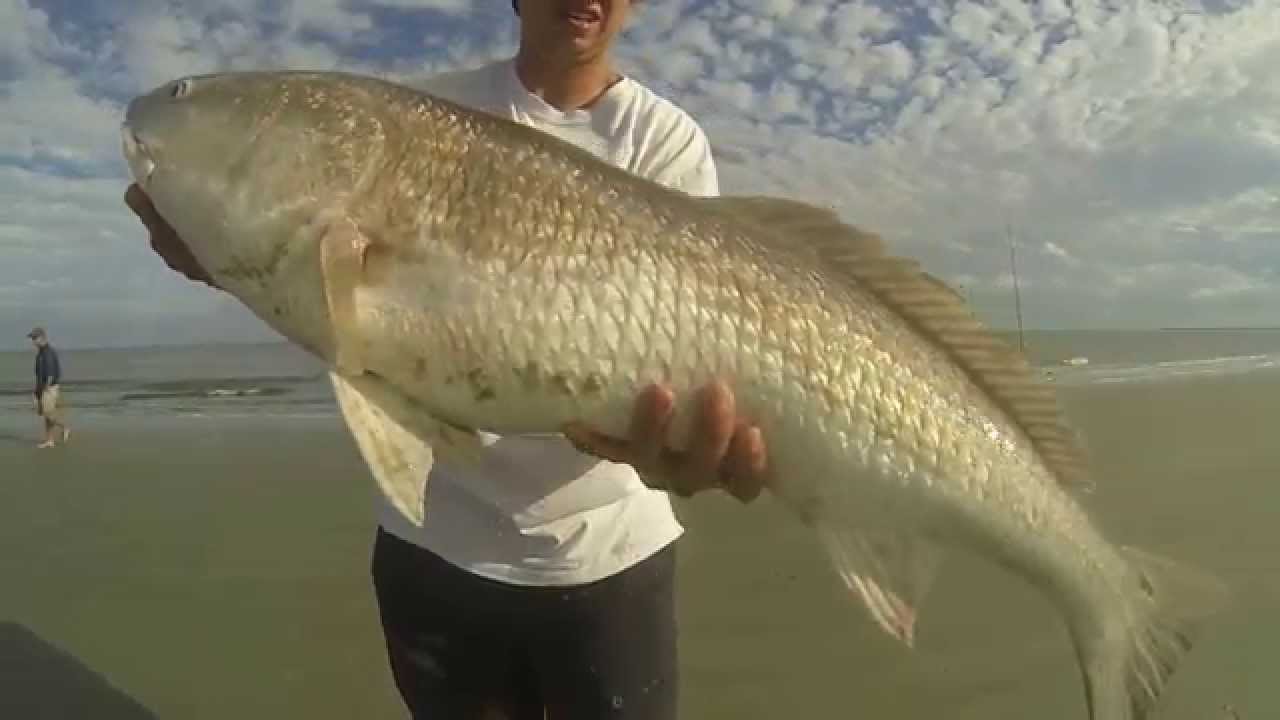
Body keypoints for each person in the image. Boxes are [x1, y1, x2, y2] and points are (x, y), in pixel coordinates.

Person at [124, 1, 771, 718]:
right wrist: (232, 257)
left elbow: (690, 341)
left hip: (611, 555)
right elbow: (345, 307)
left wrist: (689, 442)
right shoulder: (429, 111)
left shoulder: (666, 140)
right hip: (435, 549)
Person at [28, 327, 70, 449]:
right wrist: (37, 391)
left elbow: (50, 374)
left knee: (48, 414)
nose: (33, 341)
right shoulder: (40, 353)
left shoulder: (48, 353)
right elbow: (39, 374)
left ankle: (65, 427)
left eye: (35, 338)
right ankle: (49, 440)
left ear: (42, 338)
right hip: (43, 388)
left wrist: (45, 390)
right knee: (46, 415)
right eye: (32, 338)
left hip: (49, 388)